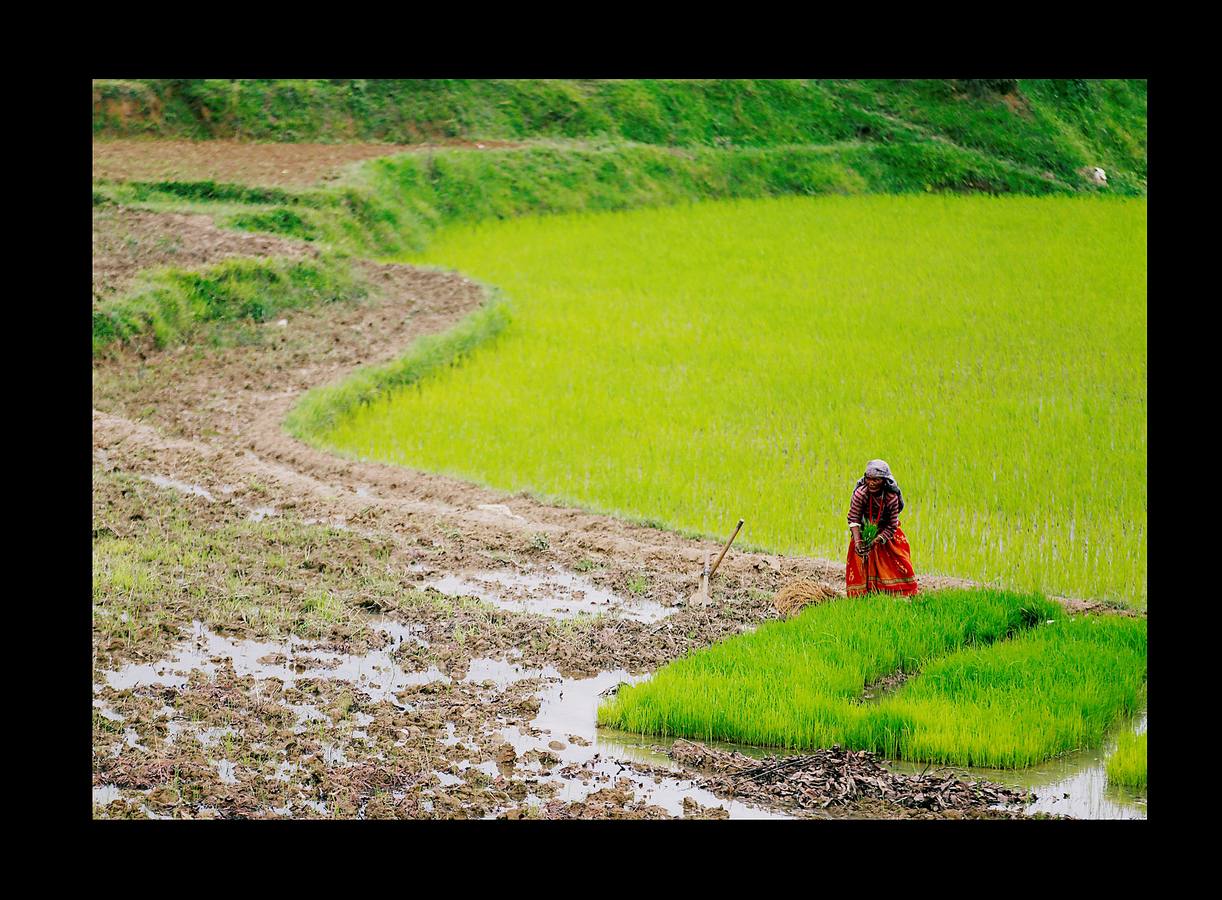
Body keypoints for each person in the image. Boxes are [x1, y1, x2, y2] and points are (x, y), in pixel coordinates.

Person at [845, 459, 918, 597]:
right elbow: (854, 518)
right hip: (863, 531)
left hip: (886, 532)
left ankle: (900, 592)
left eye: (876, 480)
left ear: (884, 481)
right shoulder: (861, 494)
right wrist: (858, 542)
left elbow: (892, 524)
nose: (871, 483)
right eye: (868, 479)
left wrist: (877, 540)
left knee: (899, 560)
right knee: (860, 562)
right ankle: (862, 596)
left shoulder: (891, 497)